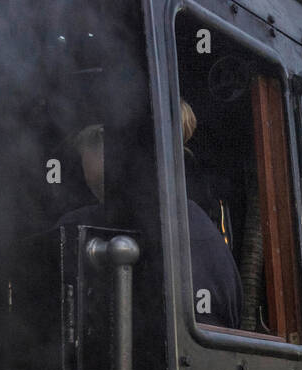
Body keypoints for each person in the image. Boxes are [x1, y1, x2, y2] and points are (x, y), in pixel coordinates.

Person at [61, 101, 243, 329]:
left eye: (83, 153)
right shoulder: (200, 226)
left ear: (109, 147)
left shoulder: (90, 224)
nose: (84, 171)